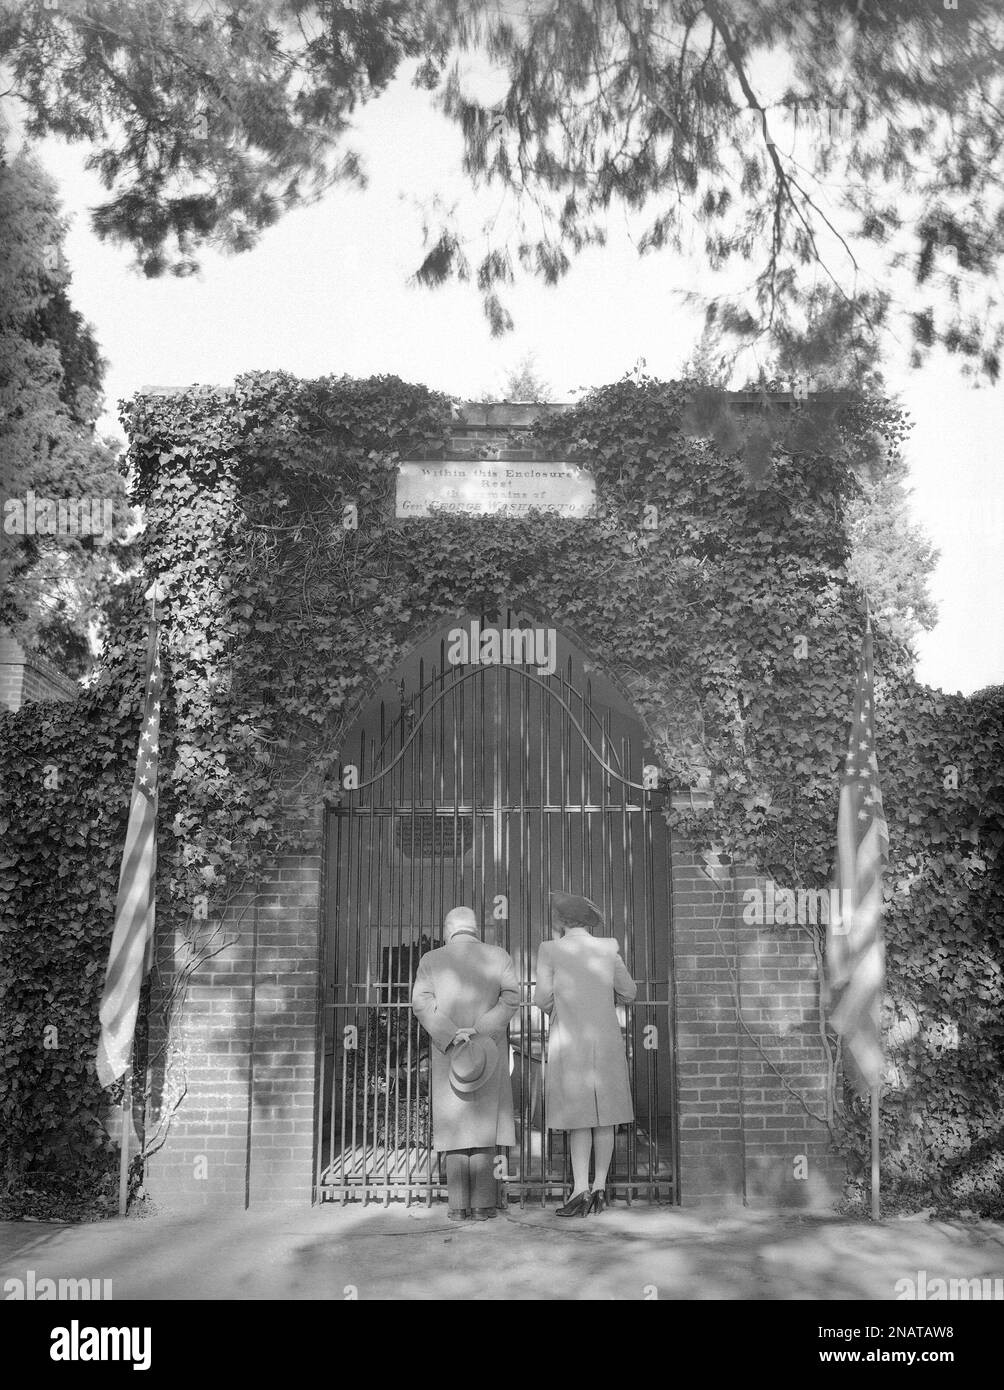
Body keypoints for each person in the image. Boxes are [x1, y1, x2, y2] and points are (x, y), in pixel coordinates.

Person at [412, 906, 520, 1222]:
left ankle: (458, 1206)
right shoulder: (498, 955)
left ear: (449, 929)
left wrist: (450, 1033)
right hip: (488, 1051)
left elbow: (421, 1003)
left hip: (450, 1053)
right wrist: (482, 1029)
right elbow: (512, 998)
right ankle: (484, 1205)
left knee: (453, 1128)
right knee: (486, 1127)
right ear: (475, 929)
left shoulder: (430, 960)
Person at [533, 890, 637, 1216]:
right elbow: (629, 992)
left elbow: (541, 999)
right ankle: (601, 1188)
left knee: (579, 1119)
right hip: (604, 1041)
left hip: (569, 1040)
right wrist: (604, 1004)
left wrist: (562, 1008)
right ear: (587, 921)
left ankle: (579, 1188)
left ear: (561, 920)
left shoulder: (550, 950)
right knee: (605, 1117)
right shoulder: (608, 948)